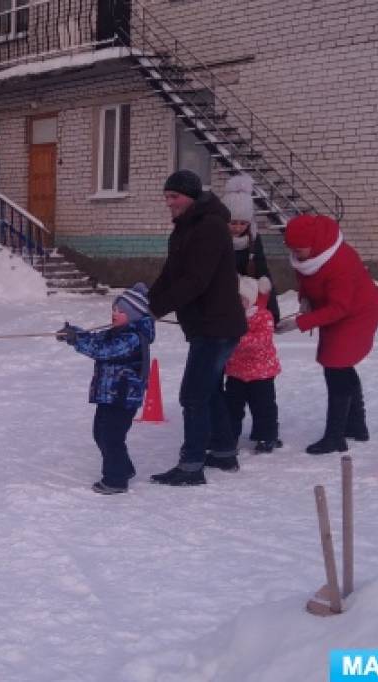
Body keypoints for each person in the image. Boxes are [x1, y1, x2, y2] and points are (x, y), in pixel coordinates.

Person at [147, 170, 248, 486]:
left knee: (193, 395)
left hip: (215, 326)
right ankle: (223, 451)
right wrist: (146, 303)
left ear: (190, 196)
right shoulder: (185, 227)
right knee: (210, 390)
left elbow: (195, 280)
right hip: (207, 325)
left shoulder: (210, 228)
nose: (169, 203)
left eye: (174, 196)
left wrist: (155, 309)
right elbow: (170, 274)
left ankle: (191, 466)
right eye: (166, 197)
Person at [275, 214, 378, 454]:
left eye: (299, 249)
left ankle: (335, 437)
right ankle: (356, 426)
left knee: (336, 364)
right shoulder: (308, 256)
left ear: (315, 244)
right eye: (292, 248)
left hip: (357, 312)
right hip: (335, 308)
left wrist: (299, 323)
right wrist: (305, 301)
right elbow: (306, 279)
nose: (296, 254)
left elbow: (340, 307)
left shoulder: (339, 262)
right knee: (338, 365)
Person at [58, 283, 156, 495]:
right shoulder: (117, 331)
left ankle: (115, 480)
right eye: (114, 309)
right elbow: (94, 339)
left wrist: (78, 343)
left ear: (134, 316)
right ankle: (124, 468)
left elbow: (103, 351)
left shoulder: (132, 338)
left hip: (122, 397)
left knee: (111, 436)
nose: (115, 314)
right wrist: (74, 333)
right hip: (108, 395)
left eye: (121, 312)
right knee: (100, 433)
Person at [224, 276, 282, 454]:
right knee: (232, 407)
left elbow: (261, 340)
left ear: (250, 300)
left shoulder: (263, 316)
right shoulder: (229, 318)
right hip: (236, 373)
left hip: (261, 373)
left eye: (241, 299)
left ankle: (267, 436)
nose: (238, 303)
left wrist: (236, 338)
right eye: (234, 299)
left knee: (263, 407)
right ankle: (229, 436)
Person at [221, 173, 281, 322]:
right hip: (220, 303)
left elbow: (263, 273)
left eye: (243, 223)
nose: (238, 228)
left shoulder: (253, 240)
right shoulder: (216, 239)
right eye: (233, 222)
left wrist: (273, 313)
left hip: (249, 304)